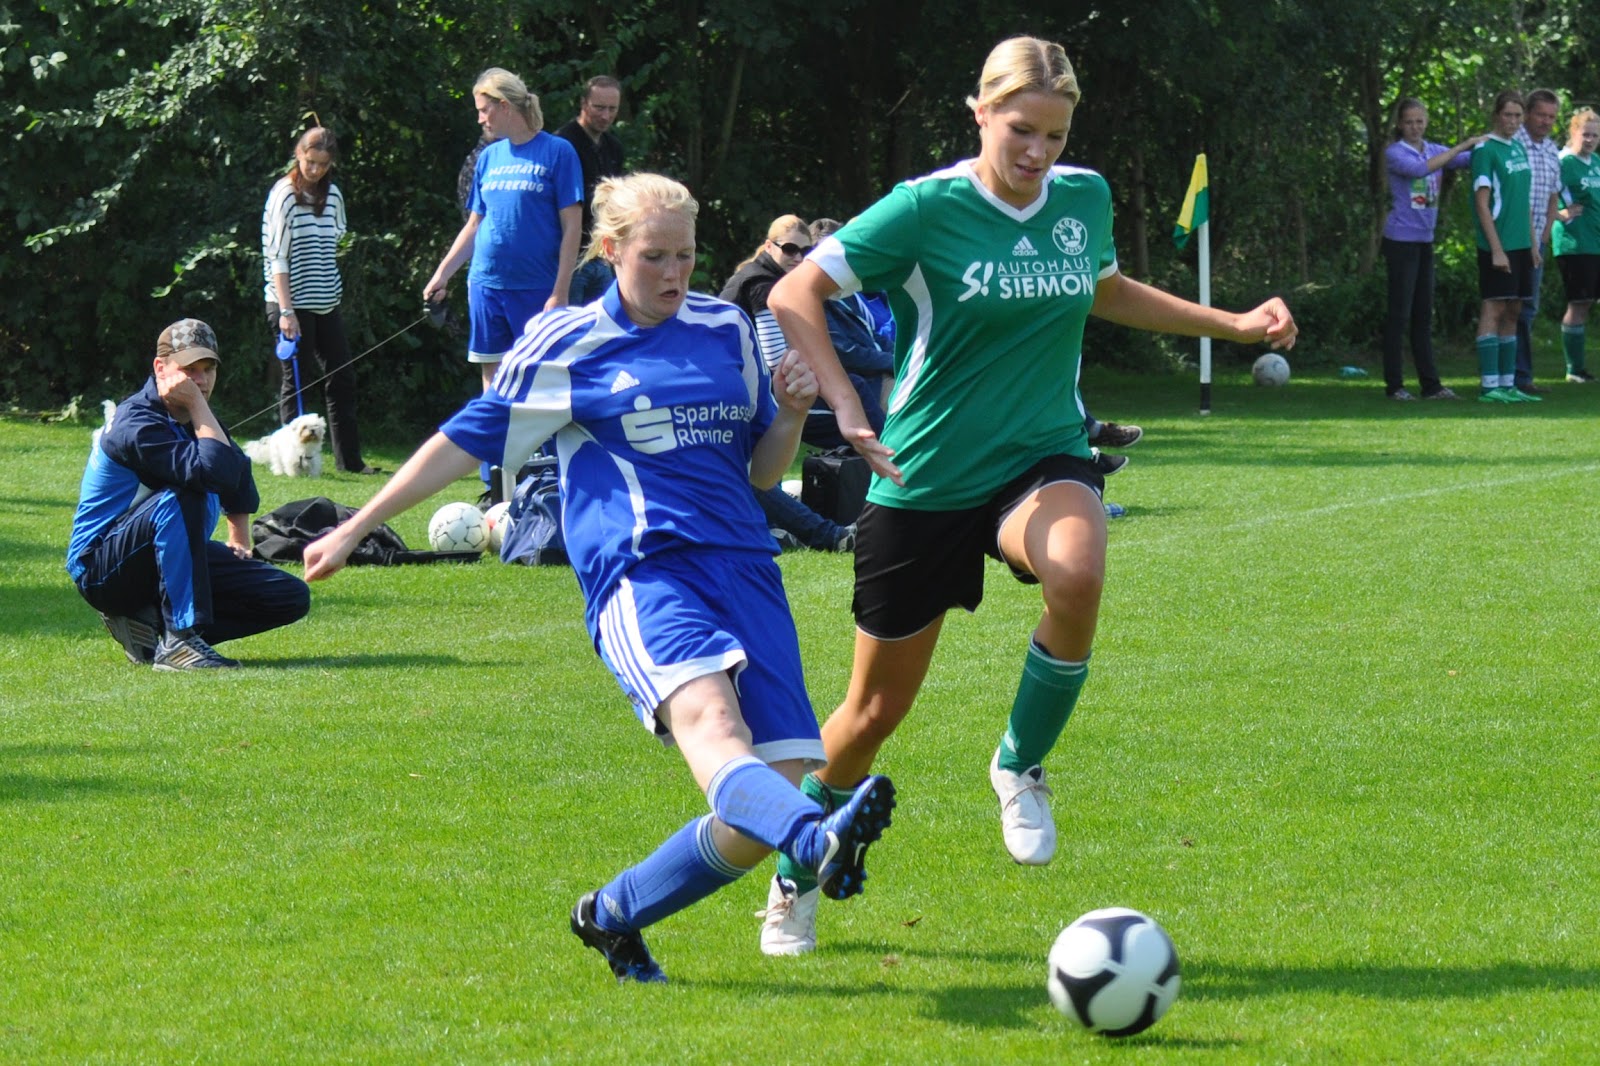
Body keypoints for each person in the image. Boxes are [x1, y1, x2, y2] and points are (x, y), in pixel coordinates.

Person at [762, 35, 1296, 956]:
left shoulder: (1082, 197)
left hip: (1041, 452)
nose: (1038, 152)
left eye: (1054, 133)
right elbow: (794, 294)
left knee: (1078, 571)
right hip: (922, 476)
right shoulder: (925, 209)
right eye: (1021, 130)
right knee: (869, 719)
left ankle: (1019, 764)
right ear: (980, 112)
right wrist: (848, 405)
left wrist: (1231, 324)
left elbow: (1104, 289)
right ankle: (793, 874)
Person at [301, 173, 896, 983]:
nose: (674, 272)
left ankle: (611, 915)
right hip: (644, 575)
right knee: (715, 738)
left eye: (685, 254)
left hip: (748, 571)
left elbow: (763, 475)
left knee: (763, 803)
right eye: (654, 256)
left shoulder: (727, 329)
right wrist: (355, 525)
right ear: (611, 251)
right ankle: (818, 840)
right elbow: (462, 441)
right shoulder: (566, 343)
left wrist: (790, 412)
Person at [67, 319, 311, 670]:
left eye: (208, 369)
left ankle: (152, 628)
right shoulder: (136, 424)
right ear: (160, 368)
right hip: (102, 569)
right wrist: (199, 405)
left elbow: (236, 468)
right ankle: (179, 641)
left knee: (288, 596)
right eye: (189, 370)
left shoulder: (195, 416)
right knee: (187, 494)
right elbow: (209, 473)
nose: (200, 380)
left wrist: (239, 538)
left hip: (158, 557)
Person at [424, 68, 583, 395]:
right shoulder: (488, 157)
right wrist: (442, 274)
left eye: (485, 110)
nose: (481, 119)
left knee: (540, 380)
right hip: (487, 285)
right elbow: (474, 225)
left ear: (505, 106)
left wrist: (560, 292)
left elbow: (573, 227)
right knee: (494, 385)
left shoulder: (558, 152)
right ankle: (497, 447)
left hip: (538, 287)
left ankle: (544, 449)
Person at [722, 215, 856, 552]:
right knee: (754, 476)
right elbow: (777, 361)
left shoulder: (766, 278)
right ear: (769, 247)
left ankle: (776, 527)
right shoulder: (763, 285)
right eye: (790, 249)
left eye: (805, 251)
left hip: (745, 390)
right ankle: (827, 534)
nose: (798, 258)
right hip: (741, 394)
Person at [261, 125, 378, 473]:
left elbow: (339, 239)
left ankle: (350, 462)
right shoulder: (284, 195)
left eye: (323, 164)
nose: (315, 170)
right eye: (310, 162)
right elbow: (277, 256)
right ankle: (292, 462)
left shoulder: (334, 196)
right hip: (290, 303)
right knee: (297, 380)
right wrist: (286, 311)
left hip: (327, 300)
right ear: (298, 154)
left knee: (342, 377)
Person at [1380, 98, 1482, 400]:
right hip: (1401, 241)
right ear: (1400, 124)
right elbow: (1420, 170)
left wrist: (1490, 145)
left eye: (1420, 121)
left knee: (1423, 314)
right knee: (1399, 314)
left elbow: (1468, 161)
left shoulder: (1436, 149)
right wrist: (1463, 144)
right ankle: (1395, 385)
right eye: (1409, 122)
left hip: (1424, 242)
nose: (1415, 127)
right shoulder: (1395, 153)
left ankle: (1431, 385)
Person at [1473, 91, 1550, 404]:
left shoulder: (1518, 147)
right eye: (1508, 115)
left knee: (1515, 309)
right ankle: (1490, 386)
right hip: (1499, 243)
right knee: (1493, 306)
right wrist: (1497, 249)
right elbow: (1482, 203)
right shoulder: (1486, 150)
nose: (1514, 122)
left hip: (1522, 243)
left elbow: (1525, 203)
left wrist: (1533, 244)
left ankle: (1508, 384)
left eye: (1518, 116)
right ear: (1497, 115)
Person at [555, 76, 627, 304]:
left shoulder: (614, 148)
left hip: (601, 256)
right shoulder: (562, 144)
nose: (606, 116)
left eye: (612, 109)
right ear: (583, 103)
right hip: (568, 261)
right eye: (599, 107)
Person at [1515, 89, 1564, 392]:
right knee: (1507, 307)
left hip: (1538, 241)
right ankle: (1503, 376)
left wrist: (1544, 238)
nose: (1546, 121)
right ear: (1528, 113)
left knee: (1528, 308)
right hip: (1511, 239)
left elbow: (1553, 195)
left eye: (1552, 117)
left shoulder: (1550, 149)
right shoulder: (1514, 144)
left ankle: (1522, 376)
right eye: (1542, 115)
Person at [1552, 107, 1600, 384]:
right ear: (1573, 132)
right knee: (1578, 302)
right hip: (1575, 244)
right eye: (1586, 134)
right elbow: (1540, 191)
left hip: (1596, 241)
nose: (1590, 140)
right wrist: (1559, 214)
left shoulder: (1595, 162)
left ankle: (1581, 368)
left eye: (1595, 135)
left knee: (1588, 303)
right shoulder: (1563, 161)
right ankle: (1574, 369)